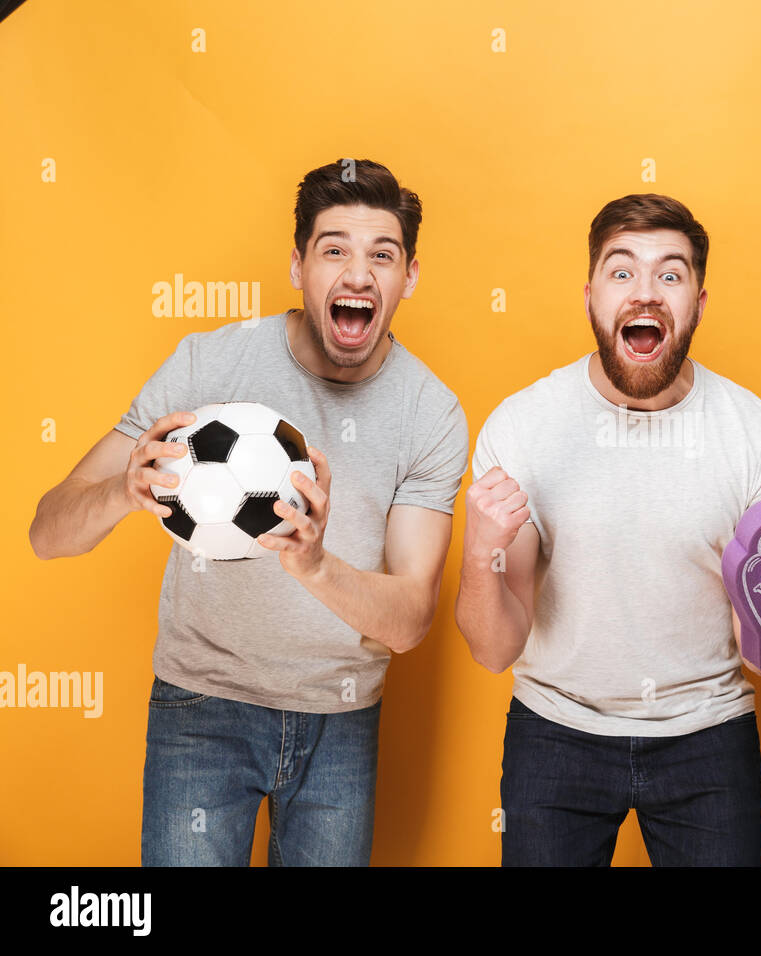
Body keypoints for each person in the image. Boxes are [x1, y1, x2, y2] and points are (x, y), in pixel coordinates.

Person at [28, 158, 469, 866]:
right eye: (334, 250)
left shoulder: (431, 412)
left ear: (409, 276)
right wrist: (123, 491)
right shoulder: (207, 366)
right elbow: (46, 533)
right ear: (297, 265)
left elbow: (413, 619)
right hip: (201, 708)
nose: (358, 275)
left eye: (381, 256)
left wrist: (314, 564)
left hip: (340, 720)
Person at [455, 193, 761, 866]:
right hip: (557, 731)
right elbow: (495, 651)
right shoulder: (523, 425)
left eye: (670, 274)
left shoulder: (753, 433)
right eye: (622, 273)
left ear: (699, 301)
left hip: (708, 736)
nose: (646, 293)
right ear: (590, 297)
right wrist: (480, 552)